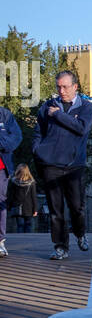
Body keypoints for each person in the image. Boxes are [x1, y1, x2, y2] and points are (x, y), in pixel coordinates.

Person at [33, 70, 92, 260]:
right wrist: (37, 150)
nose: (61, 91)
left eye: (65, 86)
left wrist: (59, 115)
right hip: (50, 164)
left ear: (75, 87)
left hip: (74, 165)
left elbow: (82, 128)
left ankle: (80, 233)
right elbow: (38, 133)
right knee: (55, 210)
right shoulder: (47, 107)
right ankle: (60, 247)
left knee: (77, 207)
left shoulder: (86, 107)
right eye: (58, 86)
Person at [0, 103, 23, 258]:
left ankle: (0, 241)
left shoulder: (5, 115)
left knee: (0, 202)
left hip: (1, 168)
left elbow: (15, 138)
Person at [9, 163, 38, 232]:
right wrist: (35, 209)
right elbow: (33, 197)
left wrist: (9, 206)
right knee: (28, 225)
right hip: (29, 208)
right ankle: (27, 240)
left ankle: (20, 240)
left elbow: (11, 195)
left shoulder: (14, 182)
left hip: (17, 207)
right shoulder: (32, 183)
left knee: (20, 225)